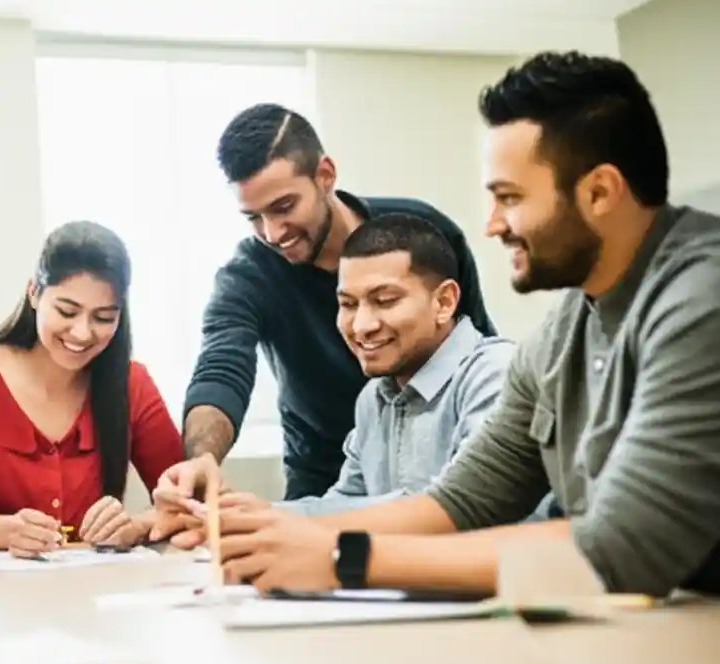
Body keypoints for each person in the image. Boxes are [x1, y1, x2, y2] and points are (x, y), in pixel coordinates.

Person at [154, 51, 720, 598]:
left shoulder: (711, 294)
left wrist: (342, 558)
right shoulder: (562, 335)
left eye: (509, 197)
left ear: (599, 192)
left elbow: (623, 546)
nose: (490, 225)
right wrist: (279, 530)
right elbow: (462, 500)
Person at [184, 103, 497, 501]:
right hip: (326, 475)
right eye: (253, 218)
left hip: (440, 461)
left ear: (325, 176)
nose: (273, 232)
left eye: (283, 207)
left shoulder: (421, 232)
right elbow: (222, 367)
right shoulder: (248, 275)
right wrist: (203, 457)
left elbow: (473, 345)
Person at [220, 214, 514, 516]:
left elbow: (457, 509)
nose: (361, 326)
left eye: (385, 300)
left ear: (444, 302)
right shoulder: (374, 398)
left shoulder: (497, 375)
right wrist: (242, 517)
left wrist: (273, 518)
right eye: (348, 304)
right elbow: (342, 505)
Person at [0, 221, 182, 556]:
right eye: (67, 311)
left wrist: (136, 527)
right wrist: (7, 531)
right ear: (34, 292)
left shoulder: (132, 383)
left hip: (98, 592)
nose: (82, 333)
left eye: (103, 318)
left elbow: (185, 500)